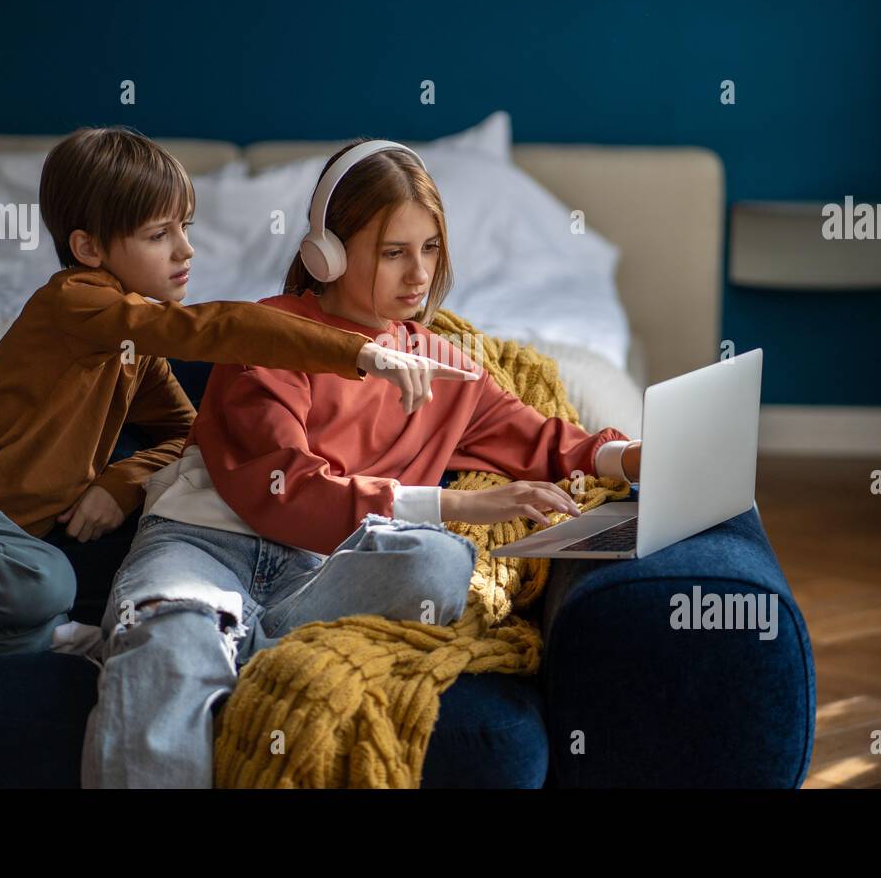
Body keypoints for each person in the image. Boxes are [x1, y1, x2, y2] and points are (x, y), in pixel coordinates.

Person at [0, 127, 470, 683]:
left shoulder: (134, 353)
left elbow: (194, 435)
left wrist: (121, 479)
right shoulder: (74, 301)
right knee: (41, 577)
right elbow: (209, 327)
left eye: (186, 228)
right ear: (89, 250)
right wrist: (357, 351)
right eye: (158, 234)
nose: (186, 250)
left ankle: (28, 635)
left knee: (31, 621)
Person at [82, 138, 642, 787]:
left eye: (430, 249)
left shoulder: (446, 367)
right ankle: (188, 635)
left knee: (440, 561)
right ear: (328, 254)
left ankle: (246, 641)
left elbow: (547, 444)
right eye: (394, 252)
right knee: (168, 649)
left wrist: (629, 457)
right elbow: (286, 487)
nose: (419, 275)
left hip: (316, 575)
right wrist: (454, 504)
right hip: (209, 547)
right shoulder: (266, 338)